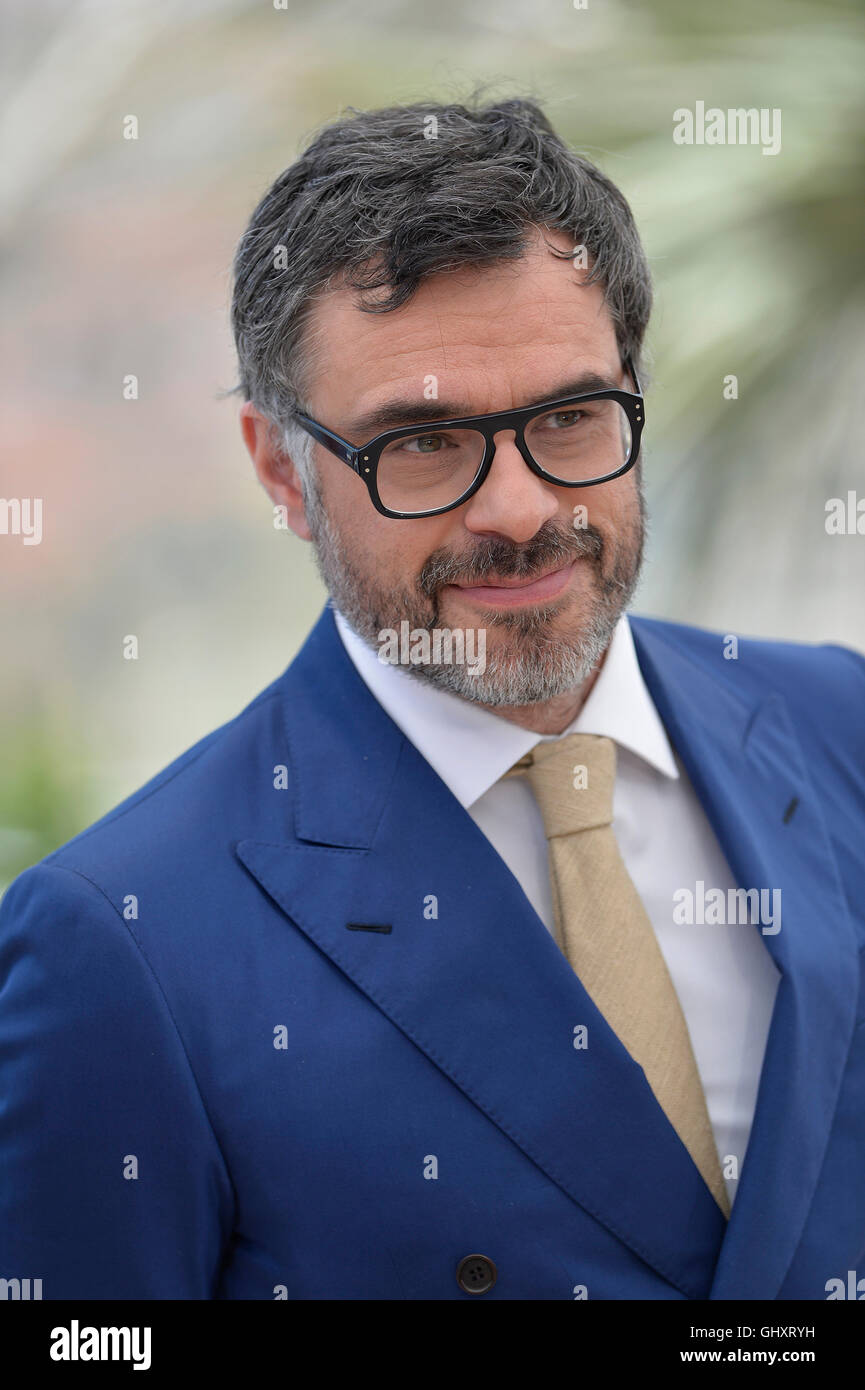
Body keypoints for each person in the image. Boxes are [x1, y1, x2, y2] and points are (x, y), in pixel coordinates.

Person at [1, 96, 863, 1302]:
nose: (516, 508)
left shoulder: (840, 725)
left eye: (569, 417)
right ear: (278, 469)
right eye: (422, 442)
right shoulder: (119, 939)